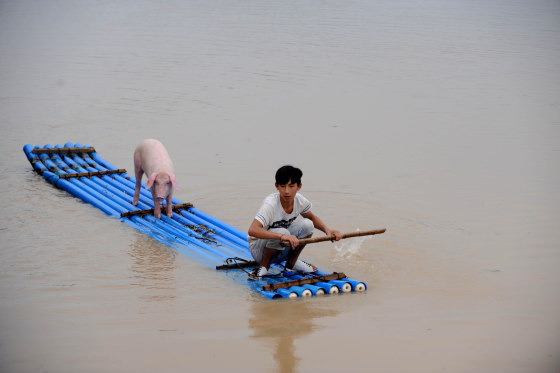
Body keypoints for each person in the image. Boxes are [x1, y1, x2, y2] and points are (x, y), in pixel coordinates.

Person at [247, 165, 342, 280]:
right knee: (282, 231)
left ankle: (290, 265)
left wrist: (328, 230)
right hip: (259, 251)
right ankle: (264, 267)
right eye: (283, 186)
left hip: (280, 247)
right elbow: (252, 230)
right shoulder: (270, 204)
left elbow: (312, 218)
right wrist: (282, 236)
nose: (287, 191)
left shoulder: (300, 201)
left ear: (299, 186)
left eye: (291, 186)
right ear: (276, 186)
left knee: (308, 224)